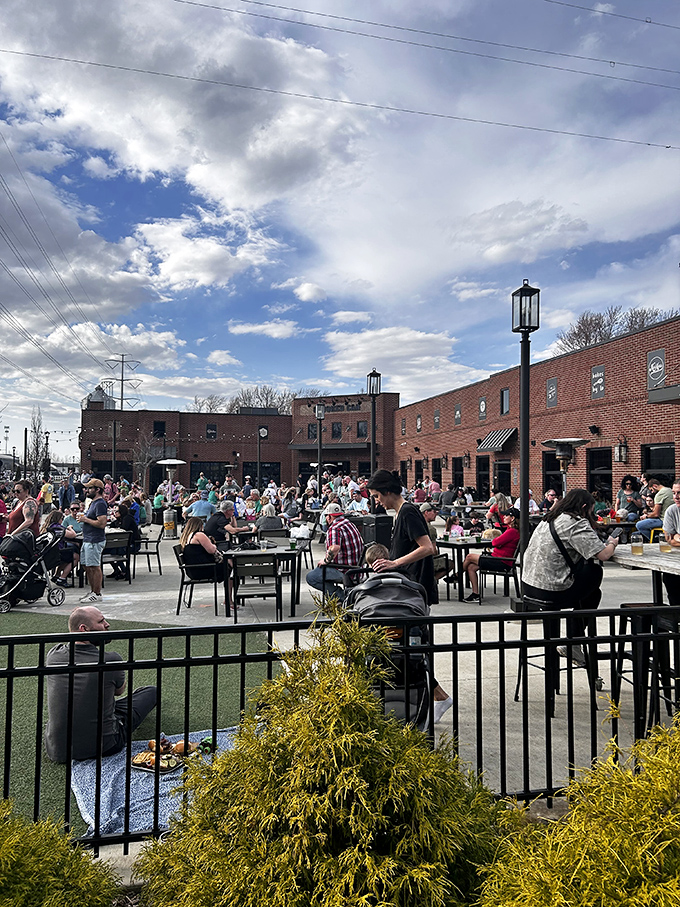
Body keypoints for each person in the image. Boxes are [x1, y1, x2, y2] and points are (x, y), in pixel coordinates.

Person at [44, 606, 157, 763]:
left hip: (57, 750)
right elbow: (119, 691)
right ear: (83, 629)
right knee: (151, 692)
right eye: (101, 621)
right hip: (105, 745)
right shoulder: (110, 659)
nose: (107, 624)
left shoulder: (53, 655)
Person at [522, 488, 620, 666]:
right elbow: (603, 555)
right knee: (595, 574)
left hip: (528, 586)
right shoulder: (575, 522)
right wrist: (612, 543)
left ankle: (572, 643)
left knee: (592, 592)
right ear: (583, 507)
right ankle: (573, 641)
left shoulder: (548, 518)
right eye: (590, 511)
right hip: (551, 590)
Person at [368, 469, 437, 607]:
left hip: (413, 585)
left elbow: (428, 548)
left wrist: (394, 563)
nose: (376, 501)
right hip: (407, 584)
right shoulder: (401, 512)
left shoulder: (407, 512)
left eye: (376, 496)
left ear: (387, 491)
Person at [305, 503, 363, 602]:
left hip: (345, 571)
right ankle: (337, 599)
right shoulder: (348, 523)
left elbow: (335, 547)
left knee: (311, 577)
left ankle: (343, 597)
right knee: (319, 572)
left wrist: (326, 560)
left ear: (329, 517)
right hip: (356, 568)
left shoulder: (335, 528)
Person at [461, 508, 520, 602]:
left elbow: (495, 542)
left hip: (501, 561)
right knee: (471, 567)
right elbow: (498, 542)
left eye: (506, 515)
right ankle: (475, 594)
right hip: (498, 558)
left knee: (469, 557)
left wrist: (498, 542)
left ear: (512, 518)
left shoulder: (512, 531)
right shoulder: (511, 530)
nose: (504, 517)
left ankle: (458, 575)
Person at [179, 516, 232, 609]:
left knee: (229, 565)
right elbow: (212, 550)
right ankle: (229, 599)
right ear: (200, 525)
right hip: (204, 569)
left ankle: (228, 599)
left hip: (193, 571)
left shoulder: (187, 537)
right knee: (232, 569)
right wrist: (213, 544)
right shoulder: (199, 535)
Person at [76, 478, 109, 604]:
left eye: (90, 488)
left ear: (97, 490)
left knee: (94, 566)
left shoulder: (100, 503)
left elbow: (102, 523)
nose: (87, 490)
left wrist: (86, 520)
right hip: (88, 539)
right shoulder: (93, 503)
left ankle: (97, 593)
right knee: (86, 565)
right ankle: (92, 591)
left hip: (95, 540)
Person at [41, 510, 79, 586]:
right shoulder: (58, 528)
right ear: (58, 519)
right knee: (76, 557)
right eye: (62, 518)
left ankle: (57, 575)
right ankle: (62, 578)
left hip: (49, 552)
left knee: (68, 555)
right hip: (56, 553)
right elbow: (73, 535)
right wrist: (70, 528)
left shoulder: (47, 527)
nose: (62, 520)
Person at [107, 502, 141, 579]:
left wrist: (116, 522)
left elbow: (123, 529)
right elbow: (112, 526)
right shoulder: (121, 519)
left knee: (113, 552)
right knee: (107, 551)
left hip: (133, 544)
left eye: (117, 511)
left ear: (121, 512)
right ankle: (117, 570)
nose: (115, 513)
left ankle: (124, 571)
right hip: (124, 543)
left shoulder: (127, 518)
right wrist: (115, 521)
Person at [635, 475, 674, 541]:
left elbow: (656, 514)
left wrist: (646, 516)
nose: (652, 492)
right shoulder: (670, 490)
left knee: (639, 525)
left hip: (664, 520)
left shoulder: (659, 494)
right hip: (674, 519)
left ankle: (654, 540)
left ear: (654, 486)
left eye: (651, 490)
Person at [661, 482, 680, 605]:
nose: (676, 497)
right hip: (676, 560)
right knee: (669, 576)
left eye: (679, 493)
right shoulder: (672, 510)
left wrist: (678, 537)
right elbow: (669, 539)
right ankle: (675, 611)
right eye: (674, 493)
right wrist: (674, 537)